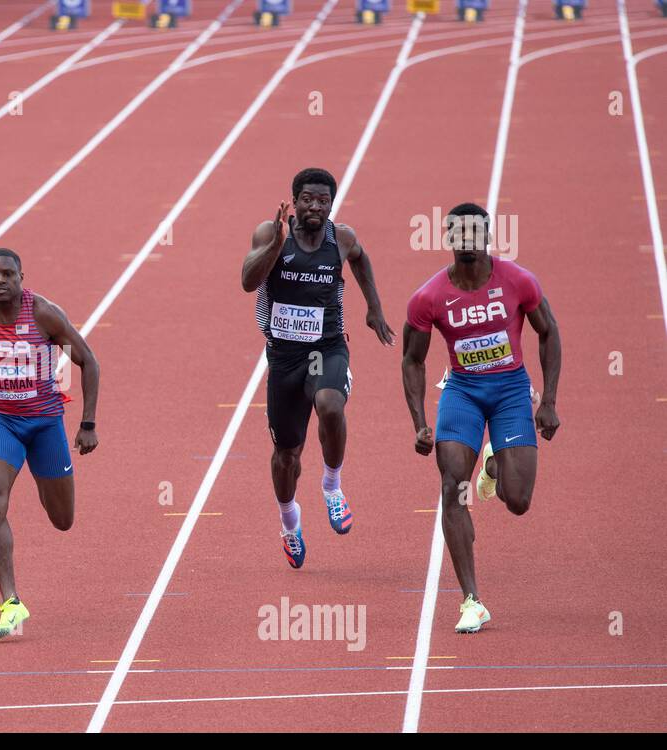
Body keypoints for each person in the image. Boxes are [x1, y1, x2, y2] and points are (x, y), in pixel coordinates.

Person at [402, 203, 561, 633]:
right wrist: (418, 419)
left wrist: (548, 400)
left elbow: (548, 331)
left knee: (519, 501)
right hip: (462, 393)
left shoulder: (518, 281)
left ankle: (494, 463)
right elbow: (412, 360)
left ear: (488, 236)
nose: (468, 240)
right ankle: (471, 599)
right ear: (449, 238)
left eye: (477, 233)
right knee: (453, 484)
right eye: (460, 233)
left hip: (510, 392)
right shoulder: (429, 297)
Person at [0, 248, 100, 639]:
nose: (0, 281)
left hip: (45, 424)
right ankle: (11, 602)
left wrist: (88, 424)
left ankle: (46, 485)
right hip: (0, 421)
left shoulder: (43, 314)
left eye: (8, 274)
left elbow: (88, 360)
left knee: (62, 520)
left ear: (22, 277)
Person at [240, 167, 395, 569]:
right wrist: (274, 245)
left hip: (326, 348)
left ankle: (332, 486)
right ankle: (290, 524)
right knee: (285, 456)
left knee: (330, 404)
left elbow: (360, 260)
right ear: (294, 201)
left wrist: (373, 307)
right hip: (284, 356)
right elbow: (247, 280)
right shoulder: (271, 232)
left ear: (331, 204)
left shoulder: (340, 238)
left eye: (323, 201)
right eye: (307, 199)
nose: (315, 206)